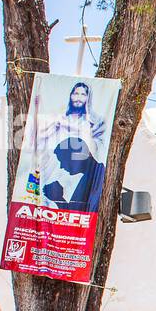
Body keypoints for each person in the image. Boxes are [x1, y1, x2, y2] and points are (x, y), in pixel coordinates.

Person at [36, 81, 108, 213]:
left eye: (83, 94)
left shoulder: (97, 177)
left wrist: (59, 199)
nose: (62, 167)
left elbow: (82, 217)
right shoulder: (58, 119)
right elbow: (78, 214)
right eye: (75, 93)